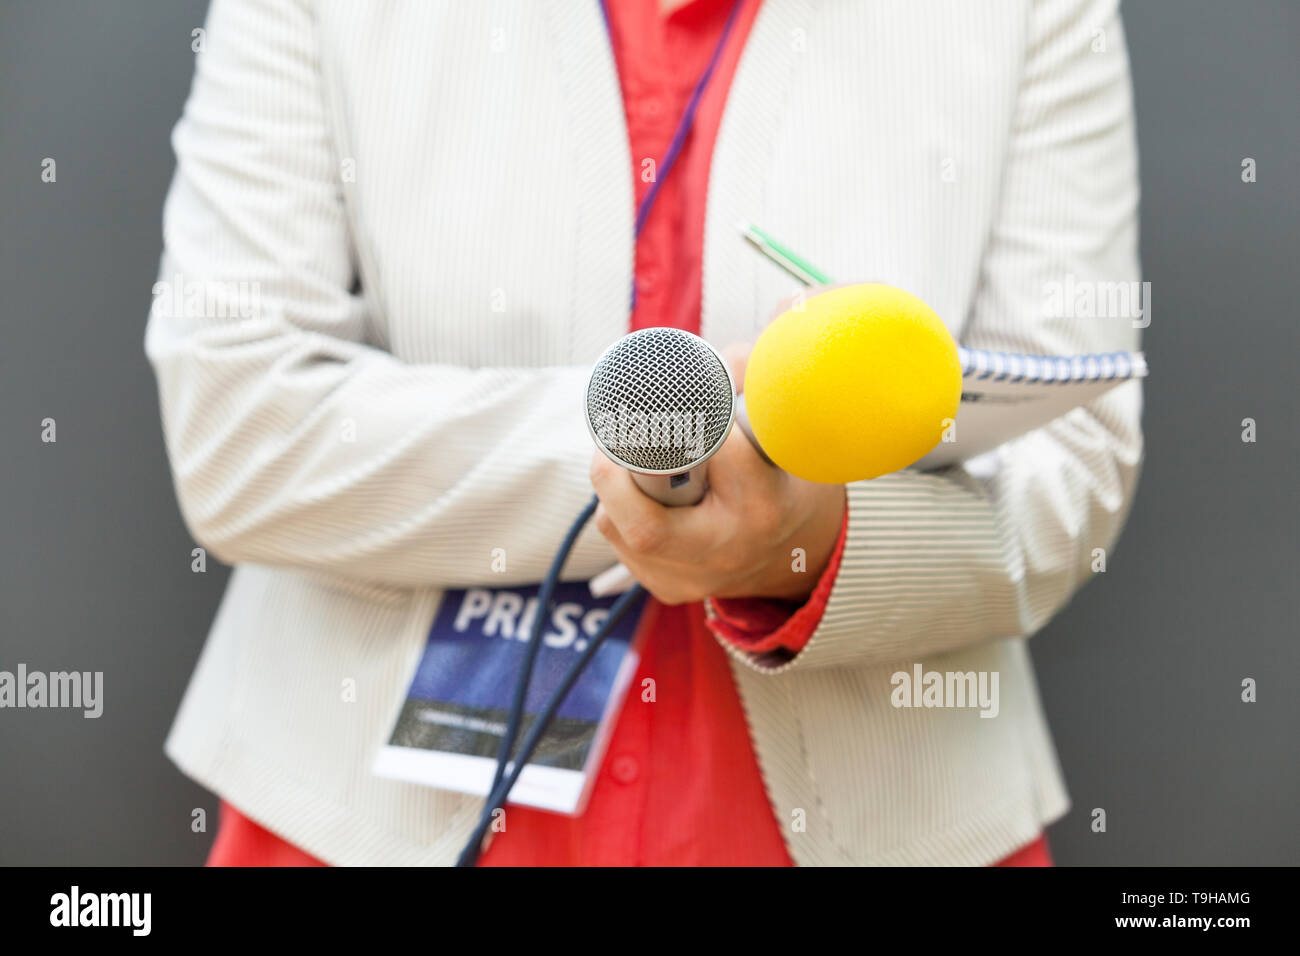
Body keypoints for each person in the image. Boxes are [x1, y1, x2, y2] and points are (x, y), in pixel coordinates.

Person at [146, 0, 1142, 866]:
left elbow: (1070, 466)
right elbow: (239, 430)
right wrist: (688, 449)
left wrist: (811, 540)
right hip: (354, 817)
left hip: (886, 820)